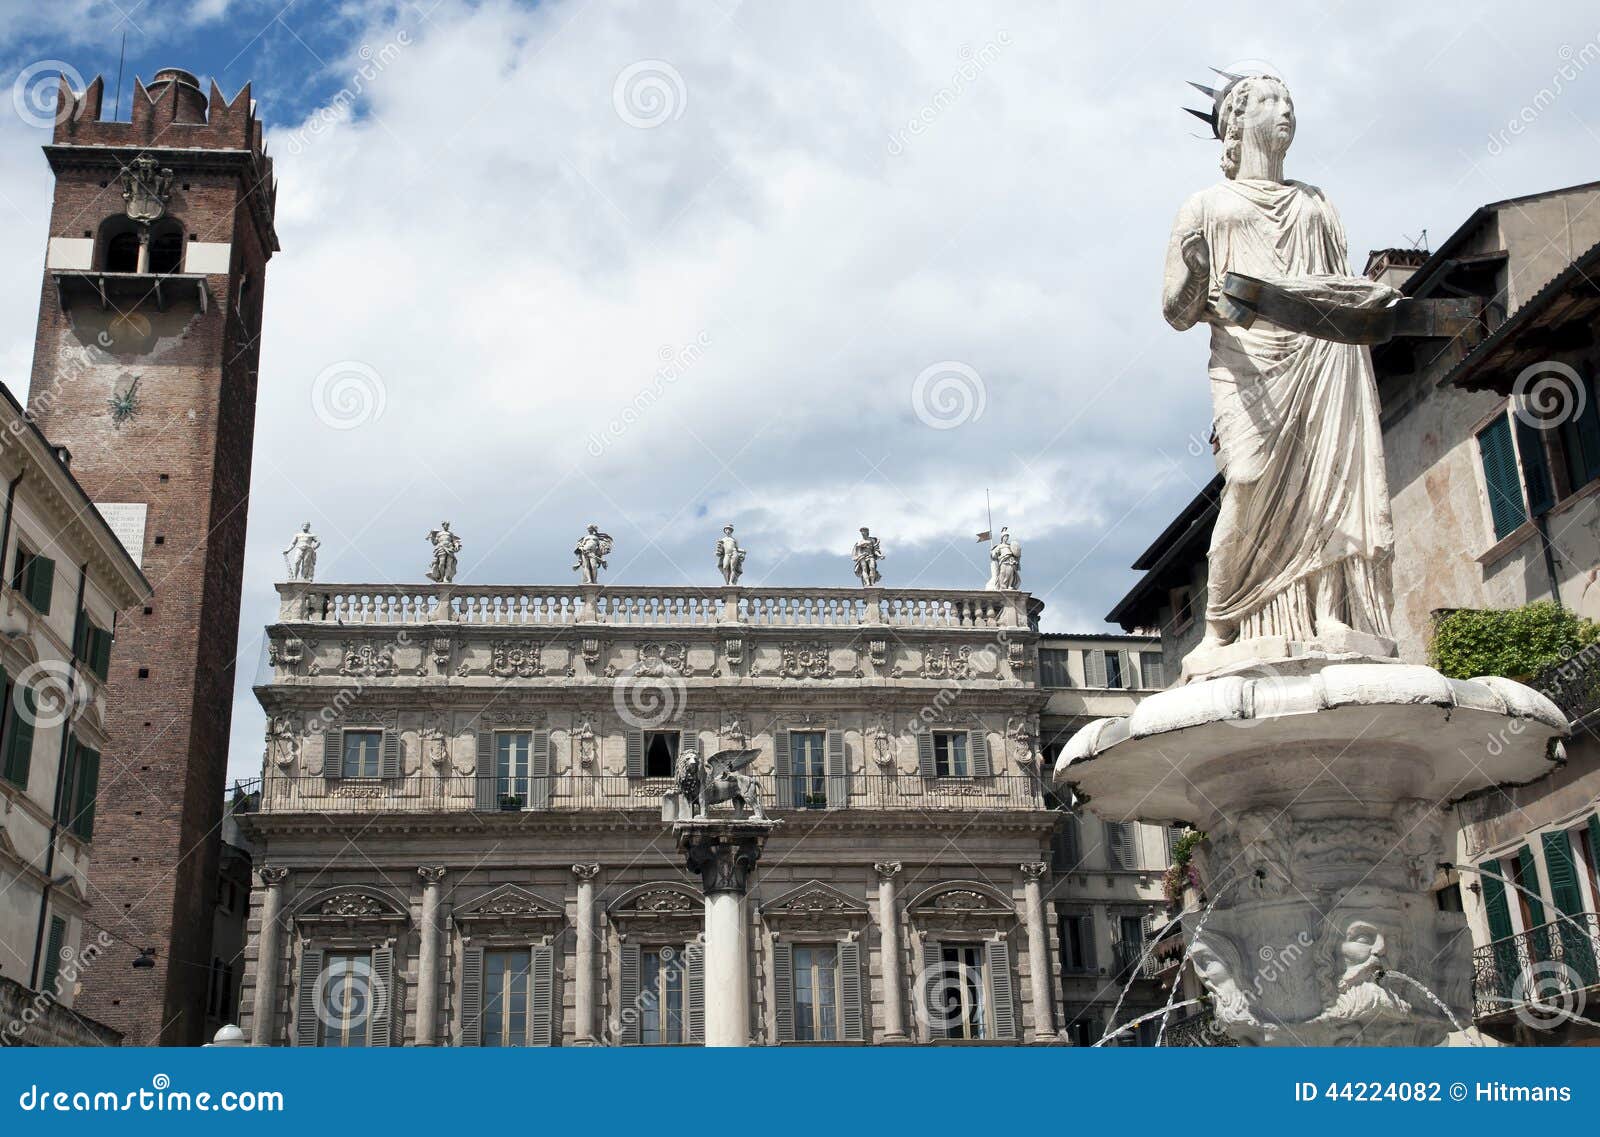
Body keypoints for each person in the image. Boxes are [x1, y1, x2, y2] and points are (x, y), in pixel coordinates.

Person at [1163, 73, 1394, 654]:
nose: (1285, 109)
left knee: (1326, 482)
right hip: (1248, 361)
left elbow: (1336, 287)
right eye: (1268, 100)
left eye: (1289, 100)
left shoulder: (1315, 202)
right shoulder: (1206, 206)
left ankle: (1327, 616)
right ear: (1235, 123)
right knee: (1246, 480)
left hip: (1322, 354)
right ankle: (1221, 622)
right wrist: (1195, 272)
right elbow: (1176, 311)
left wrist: (1371, 302)